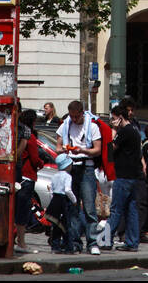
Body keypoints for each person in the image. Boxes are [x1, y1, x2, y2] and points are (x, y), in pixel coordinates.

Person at [57, 100, 101, 238]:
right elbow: (57, 147)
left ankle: (92, 242)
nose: (74, 119)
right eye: (72, 116)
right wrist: (64, 149)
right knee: (73, 206)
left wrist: (83, 151)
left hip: (86, 167)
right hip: (71, 167)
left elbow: (97, 150)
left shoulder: (92, 126)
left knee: (89, 207)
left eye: (76, 116)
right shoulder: (65, 125)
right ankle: (74, 242)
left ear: (82, 113)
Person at [106, 104, 142, 252]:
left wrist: (114, 130)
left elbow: (110, 151)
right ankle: (132, 242)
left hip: (123, 176)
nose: (112, 122)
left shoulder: (124, 131)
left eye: (114, 119)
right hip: (133, 176)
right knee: (131, 210)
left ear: (120, 118)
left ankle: (106, 240)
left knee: (116, 209)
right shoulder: (134, 130)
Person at [14, 110, 45, 254]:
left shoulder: (18, 134)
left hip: (20, 176)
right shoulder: (29, 137)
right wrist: (41, 163)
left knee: (17, 209)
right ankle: (21, 242)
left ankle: (17, 239)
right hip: (28, 176)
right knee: (23, 211)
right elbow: (34, 158)